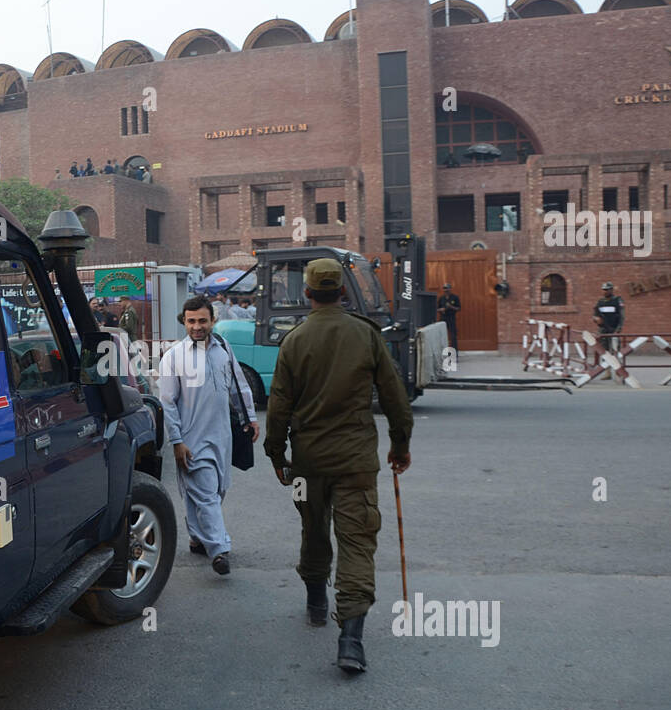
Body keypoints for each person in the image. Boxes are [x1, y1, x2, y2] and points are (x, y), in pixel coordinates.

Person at [264, 259, 412, 675]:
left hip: (307, 463)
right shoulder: (366, 335)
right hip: (356, 461)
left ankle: (316, 603)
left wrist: (277, 456)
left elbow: (278, 407)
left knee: (312, 527)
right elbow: (395, 397)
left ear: (307, 293)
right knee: (357, 542)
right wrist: (400, 444)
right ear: (343, 292)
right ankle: (351, 640)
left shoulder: (294, 341)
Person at [158, 296, 258, 575]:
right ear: (184, 322)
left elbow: (239, 385)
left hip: (222, 436)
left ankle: (197, 538)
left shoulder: (223, 347)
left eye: (202, 320)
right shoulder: (173, 357)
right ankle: (219, 549)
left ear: (213, 320)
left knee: (215, 490)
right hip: (191, 438)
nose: (197, 326)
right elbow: (167, 403)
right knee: (205, 493)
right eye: (191, 321)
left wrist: (250, 417)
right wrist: (177, 441)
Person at [593, 281, 625, 378]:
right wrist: (595, 319)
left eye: (607, 290)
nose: (605, 291)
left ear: (611, 290)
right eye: (604, 290)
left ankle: (618, 372)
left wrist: (618, 329)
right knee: (604, 352)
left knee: (615, 351)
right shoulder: (600, 302)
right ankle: (607, 372)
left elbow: (621, 316)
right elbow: (595, 314)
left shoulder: (617, 300)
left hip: (614, 329)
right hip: (603, 330)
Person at [437, 282, 461, 351]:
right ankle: (442, 351)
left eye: (447, 288)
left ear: (450, 289)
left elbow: (458, 308)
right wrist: (441, 309)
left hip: (451, 318)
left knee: (453, 335)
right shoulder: (441, 298)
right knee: (441, 335)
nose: (446, 290)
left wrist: (451, 307)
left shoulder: (455, 297)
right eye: (444, 288)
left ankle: (454, 352)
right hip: (443, 318)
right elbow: (437, 308)